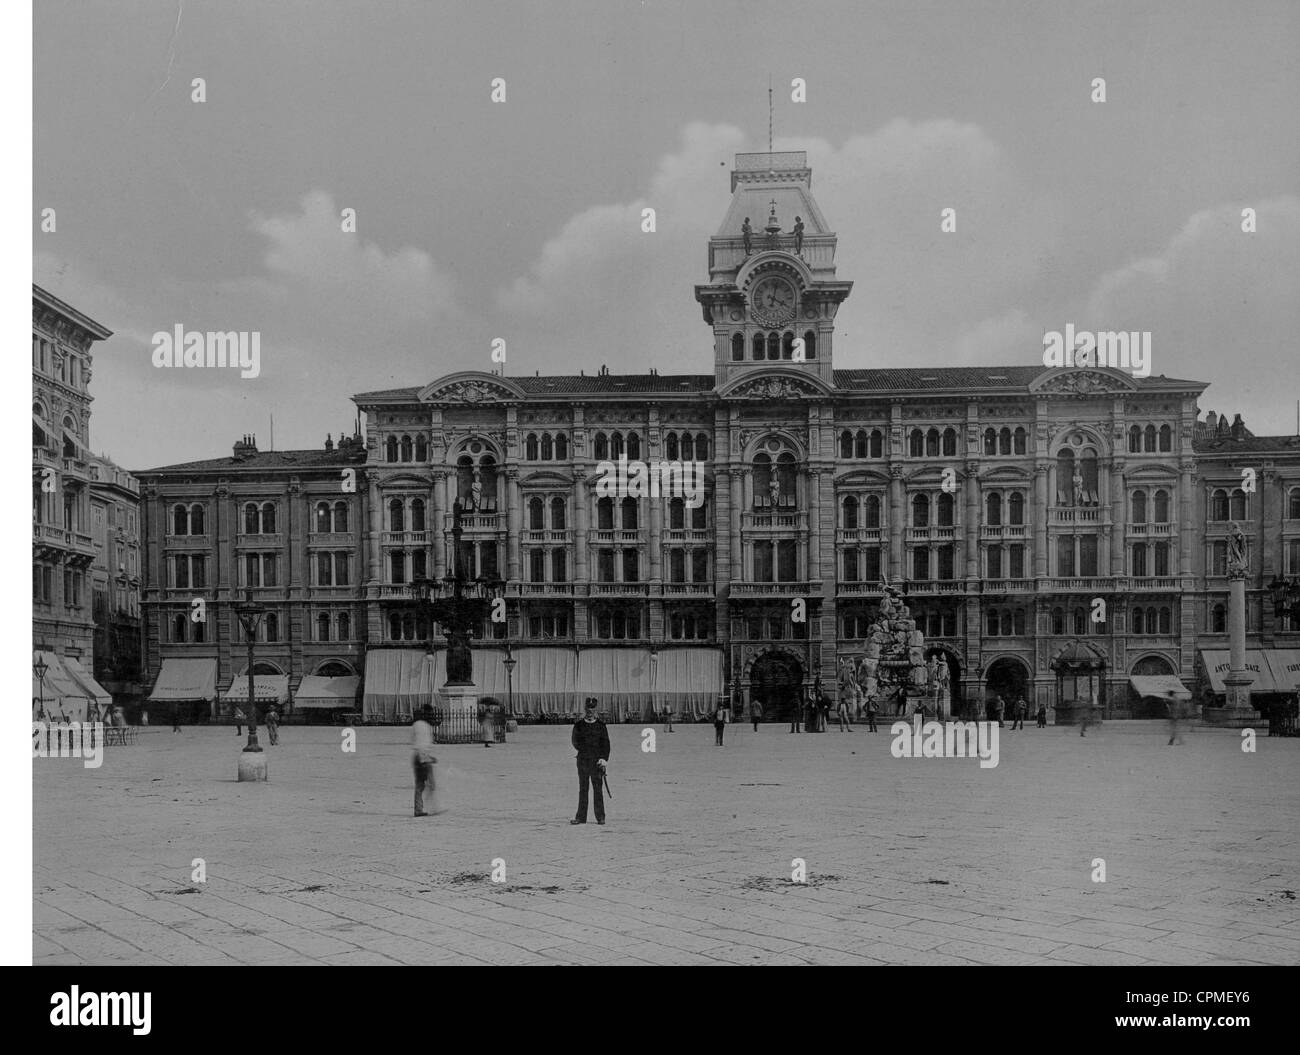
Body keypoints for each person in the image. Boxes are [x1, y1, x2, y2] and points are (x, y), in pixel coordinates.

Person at [571, 697, 610, 825]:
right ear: (585, 708)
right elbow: (575, 742)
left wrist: (603, 759)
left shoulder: (601, 726)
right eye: (588, 708)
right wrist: (585, 750)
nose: (590, 711)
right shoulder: (579, 725)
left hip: (596, 763)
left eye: (592, 708)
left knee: (598, 789)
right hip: (582, 761)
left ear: (595, 709)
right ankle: (581, 817)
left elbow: (606, 745)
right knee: (583, 789)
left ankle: (600, 817)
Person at [411, 704, 440, 817]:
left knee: (421, 785)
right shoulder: (426, 726)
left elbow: (414, 741)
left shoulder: (416, 725)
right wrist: (427, 758)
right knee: (428, 784)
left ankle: (420, 808)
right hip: (423, 757)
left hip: (419, 756)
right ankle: (430, 807)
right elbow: (424, 744)